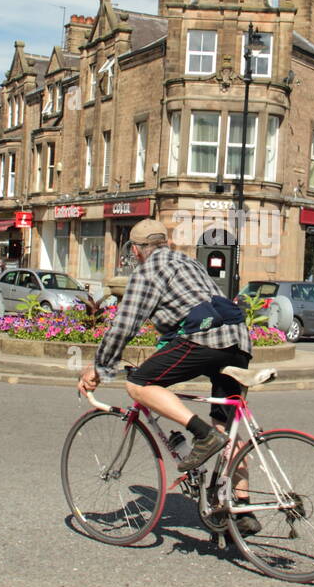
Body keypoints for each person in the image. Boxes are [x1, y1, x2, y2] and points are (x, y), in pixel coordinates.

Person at [77, 218, 259, 536]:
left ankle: (201, 435)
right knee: (226, 424)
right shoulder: (187, 262)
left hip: (206, 340)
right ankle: (241, 509)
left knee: (139, 383)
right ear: (164, 243)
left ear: (136, 250)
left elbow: (125, 325)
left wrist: (100, 367)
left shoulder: (147, 270)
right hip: (238, 342)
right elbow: (186, 314)